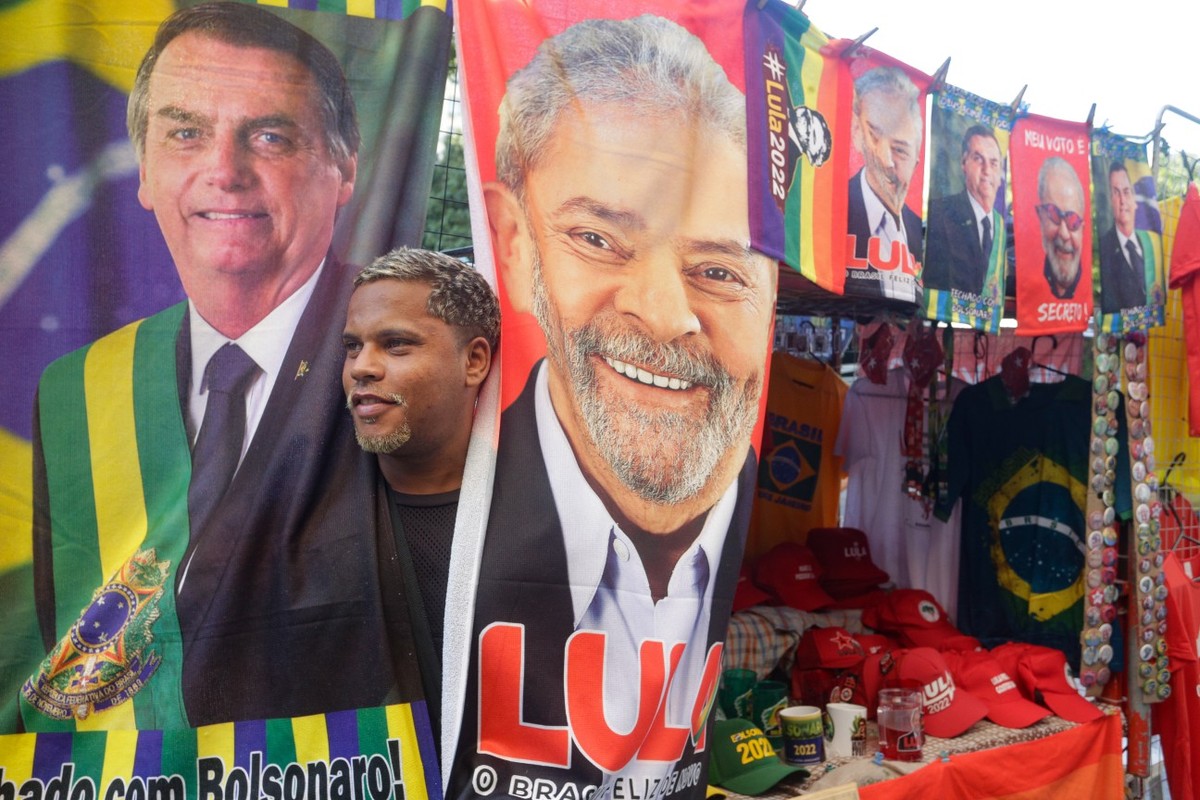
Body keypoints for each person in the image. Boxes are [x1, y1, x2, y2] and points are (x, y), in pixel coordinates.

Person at [24, 2, 425, 729]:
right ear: (145, 170)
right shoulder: (75, 391)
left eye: (269, 135)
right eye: (185, 133)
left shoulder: (422, 365)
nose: (224, 172)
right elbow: (61, 645)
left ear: (343, 170)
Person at [456, 14, 777, 799]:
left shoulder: (752, 499)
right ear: (515, 240)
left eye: (720, 271)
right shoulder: (440, 502)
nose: (666, 314)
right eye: (598, 239)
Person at [342, 247, 499, 742]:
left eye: (395, 345)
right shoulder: (305, 517)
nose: (361, 367)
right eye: (352, 346)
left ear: (473, 361)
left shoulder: (542, 516)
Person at [845, 66, 924, 294]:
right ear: (857, 132)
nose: (887, 160)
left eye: (900, 150)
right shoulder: (831, 212)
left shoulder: (914, 227)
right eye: (875, 137)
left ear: (915, 163)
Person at [924, 125, 1005, 297]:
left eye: (994, 162)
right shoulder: (941, 213)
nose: (987, 171)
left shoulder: (1003, 227)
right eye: (978, 159)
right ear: (963, 163)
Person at [1099, 162, 1151, 312]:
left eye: (1126, 192)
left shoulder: (1149, 244)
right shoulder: (1105, 247)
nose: (1122, 201)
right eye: (1116, 192)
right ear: (1110, 200)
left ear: (1134, 198)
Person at [1035, 156, 1086, 299]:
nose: (1064, 234)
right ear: (1040, 217)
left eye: (1073, 221)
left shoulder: (1089, 292)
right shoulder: (1027, 283)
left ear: (1082, 229)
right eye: (1053, 214)